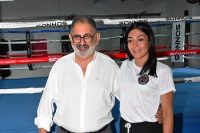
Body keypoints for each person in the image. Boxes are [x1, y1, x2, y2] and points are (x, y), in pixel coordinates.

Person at [34, 16, 120, 133]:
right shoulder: (60, 66)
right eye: (77, 37)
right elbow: (46, 102)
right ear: (70, 38)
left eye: (87, 37)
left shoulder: (110, 66)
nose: (82, 42)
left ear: (97, 38)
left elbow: (129, 98)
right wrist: (43, 129)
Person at [119, 22, 175, 133]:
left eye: (140, 39)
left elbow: (167, 113)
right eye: (130, 40)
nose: (135, 45)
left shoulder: (162, 71)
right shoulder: (125, 65)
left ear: (149, 41)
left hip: (149, 128)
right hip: (125, 127)